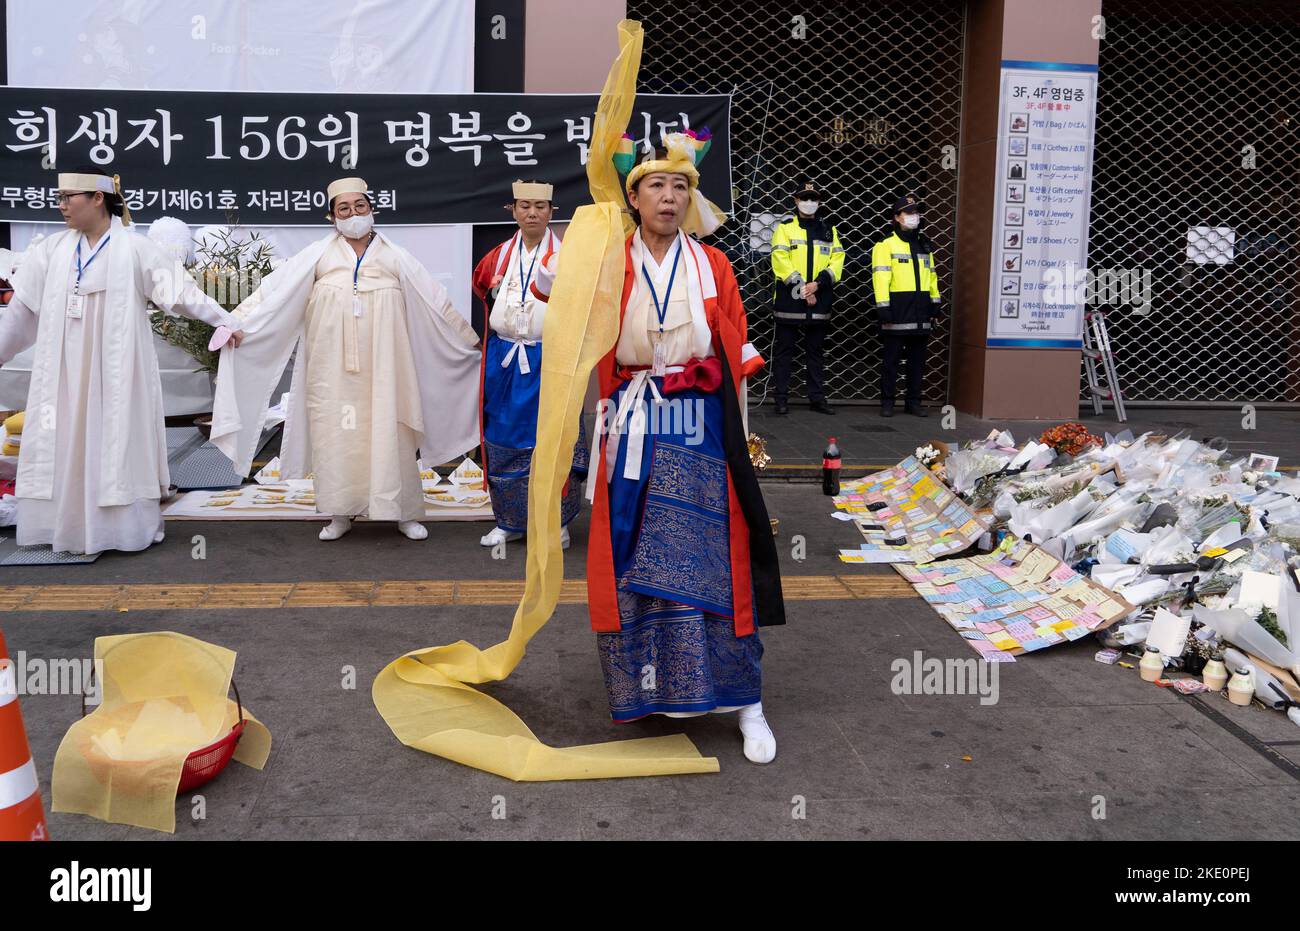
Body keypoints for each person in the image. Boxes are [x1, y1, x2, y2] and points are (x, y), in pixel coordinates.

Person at [574, 131, 786, 763]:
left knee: (719, 554)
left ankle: (746, 701)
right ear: (633, 198)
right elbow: (562, 310)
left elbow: (733, 343)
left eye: (680, 187)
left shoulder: (712, 264)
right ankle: (652, 688)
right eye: (655, 186)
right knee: (634, 553)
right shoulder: (610, 260)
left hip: (699, 421)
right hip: (633, 420)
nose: (669, 198)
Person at [210, 177, 481, 540]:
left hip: (387, 366)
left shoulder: (395, 255)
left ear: (371, 209)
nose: (353, 214)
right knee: (336, 434)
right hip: (331, 368)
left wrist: (467, 339)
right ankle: (339, 512)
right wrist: (236, 323)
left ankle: (403, 512)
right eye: (344, 209)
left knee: (392, 430)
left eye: (360, 206)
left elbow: (435, 301)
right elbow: (274, 293)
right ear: (331, 217)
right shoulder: (317, 255)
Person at [0, 167, 244, 554]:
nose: (61, 205)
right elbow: (22, 315)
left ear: (98, 198)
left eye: (69, 197)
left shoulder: (135, 248)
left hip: (117, 371)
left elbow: (181, 293)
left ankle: (119, 529)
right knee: (61, 437)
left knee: (115, 439)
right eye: (59, 197)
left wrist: (224, 320)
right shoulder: (50, 251)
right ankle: (60, 526)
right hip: (63, 372)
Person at [470, 180, 585, 549]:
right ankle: (508, 520)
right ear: (513, 211)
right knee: (502, 438)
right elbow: (481, 286)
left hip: (550, 359)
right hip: (505, 360)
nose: (532, 213)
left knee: (552, 441)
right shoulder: (498, 256)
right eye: (524, 206)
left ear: (552, 212)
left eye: (540, 206)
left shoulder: (568, 255)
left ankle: (556, 522)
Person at [768, 180, 845, 415]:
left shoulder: (828, 230)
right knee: (785, 352)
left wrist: (817, 285)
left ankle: (817, 398)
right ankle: (781, 398)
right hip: (791, 297)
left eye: (813, 198)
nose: (809, 203)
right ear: (795, 201)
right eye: (805, 198)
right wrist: (803, 288)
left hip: (819, 297)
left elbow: (838, 260)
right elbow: (780, 259)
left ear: (819, 202)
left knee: (815, 352)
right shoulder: (785, 228)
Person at [872, 194, 942, 417]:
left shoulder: (923, 245)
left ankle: (913, 402)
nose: (914, 217)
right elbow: (880, 278)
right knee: (891, 361)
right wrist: (883, 307)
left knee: (917, 362)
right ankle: (887, 402)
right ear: (897, 217)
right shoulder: (885, 245)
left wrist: (935, 303)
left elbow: (932, 277)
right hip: (897, 311)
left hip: (921, 311)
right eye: (909, 213)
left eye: (916, 213)